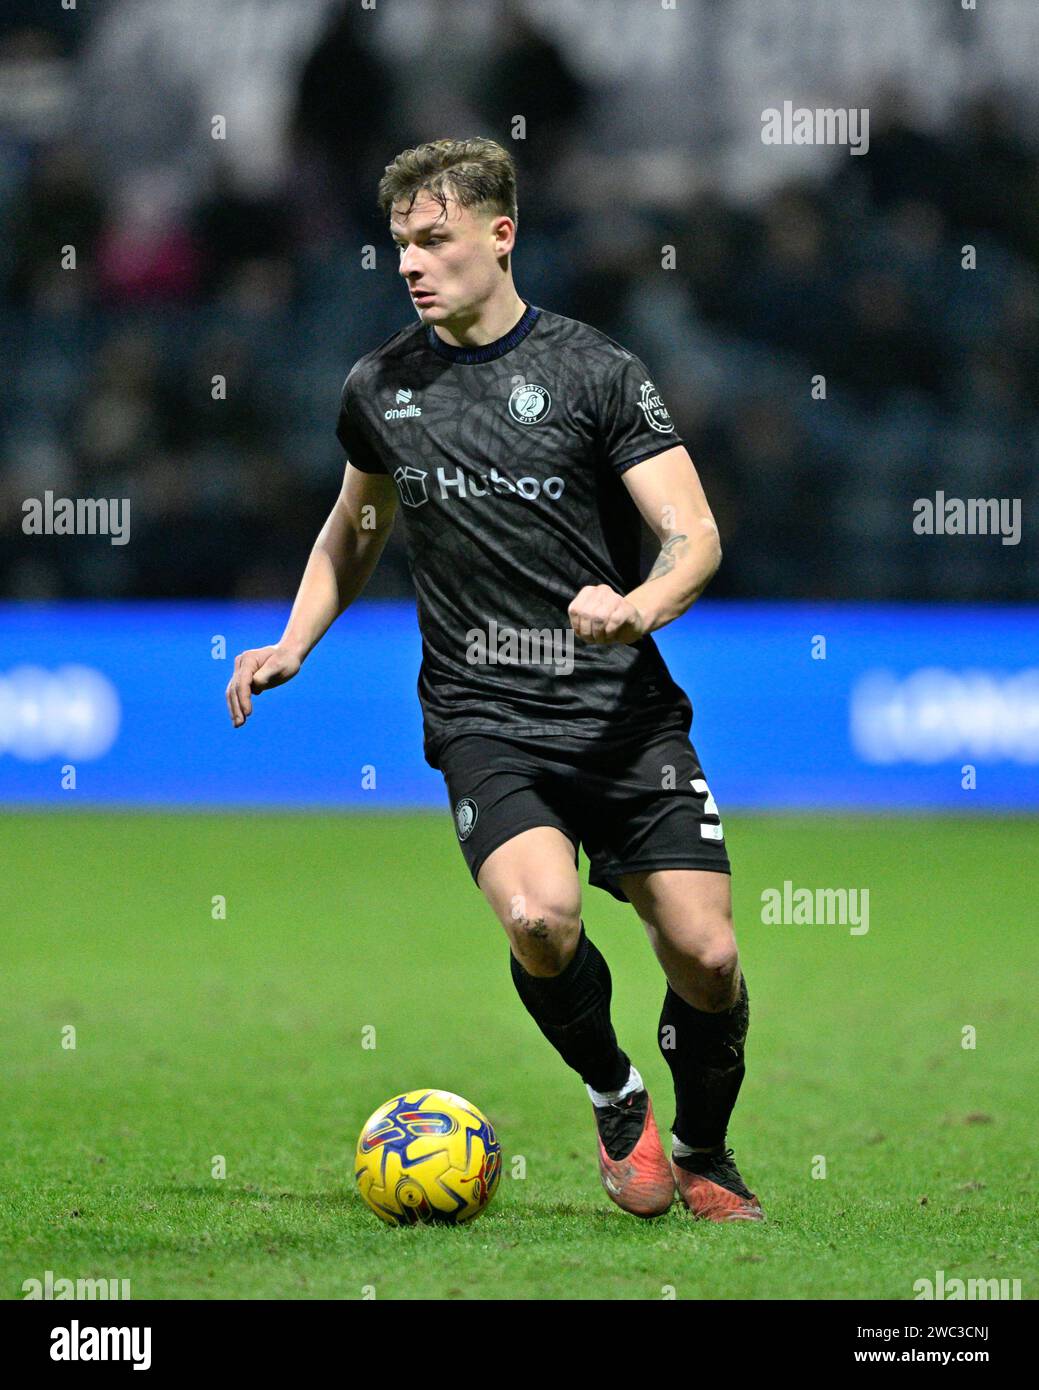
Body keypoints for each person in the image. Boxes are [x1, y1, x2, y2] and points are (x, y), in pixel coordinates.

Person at [226, 138, 761, 1222]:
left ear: (500, 234)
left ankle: (703, 1149)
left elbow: (694, 536)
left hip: (621, 715)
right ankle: (615, 1095)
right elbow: (354, 527)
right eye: (400, 246)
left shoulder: (595, 371)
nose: (411, 265)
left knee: (706, 955)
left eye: (434, 240)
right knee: (537, 918)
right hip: (484, 715)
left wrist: (636, 607)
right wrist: (294, 638)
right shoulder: (380, 387)